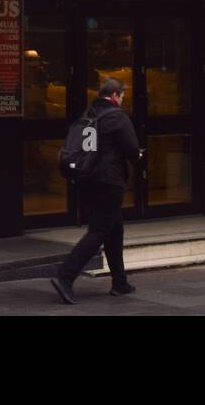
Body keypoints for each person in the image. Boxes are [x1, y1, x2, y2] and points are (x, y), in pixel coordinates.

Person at [50, 77, 141, 304]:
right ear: (115, 95)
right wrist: (138, 155)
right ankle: (65, 276)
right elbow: (131, 149)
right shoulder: (118, 118)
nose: (122, 100)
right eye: (122, 96)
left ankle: (120, 282)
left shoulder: (88, 114)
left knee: (114, 229)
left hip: (87, 179)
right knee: (99, 230)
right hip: (109, 181)